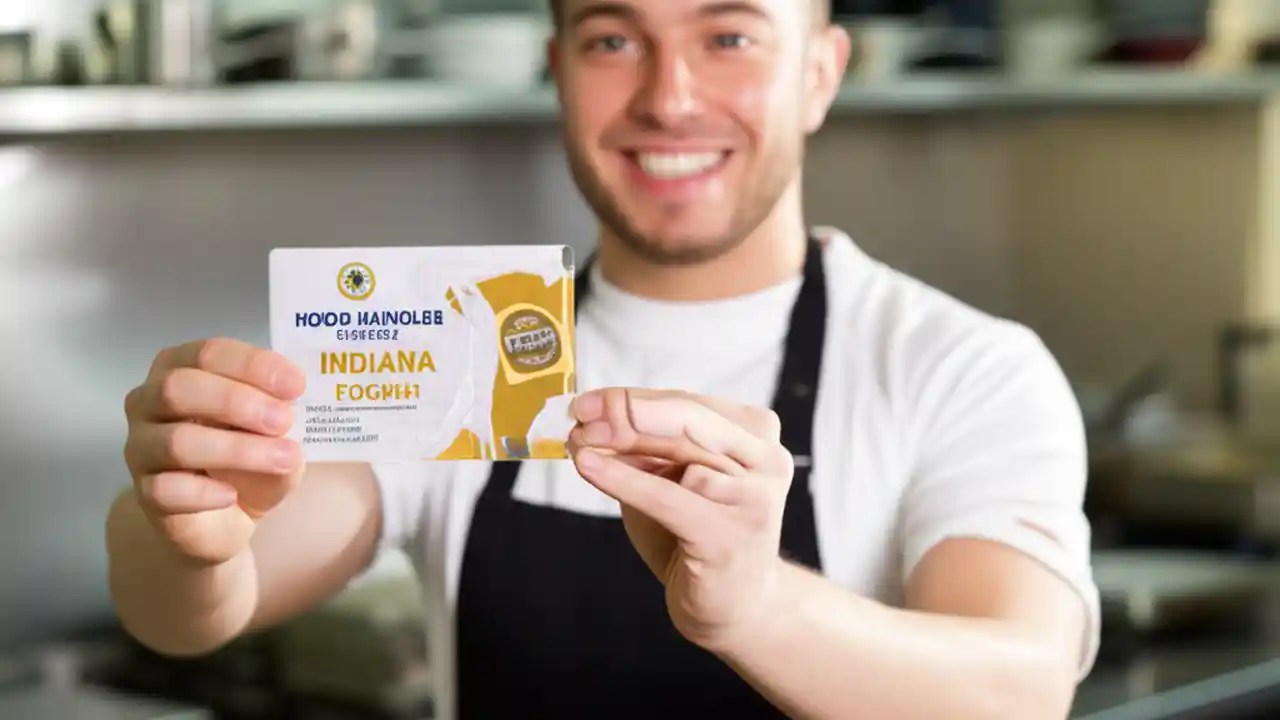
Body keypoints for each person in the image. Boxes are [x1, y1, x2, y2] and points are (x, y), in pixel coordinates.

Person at [109, 0, 1099, 717]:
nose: (668, 99)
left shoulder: (961, 368)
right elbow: (189, 614)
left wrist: (753, 606)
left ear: (818, 73)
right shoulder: (459, 344)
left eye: (728, 36)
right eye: (613, 38)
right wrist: (187, 525)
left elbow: (1015, 690)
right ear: (558, 67)